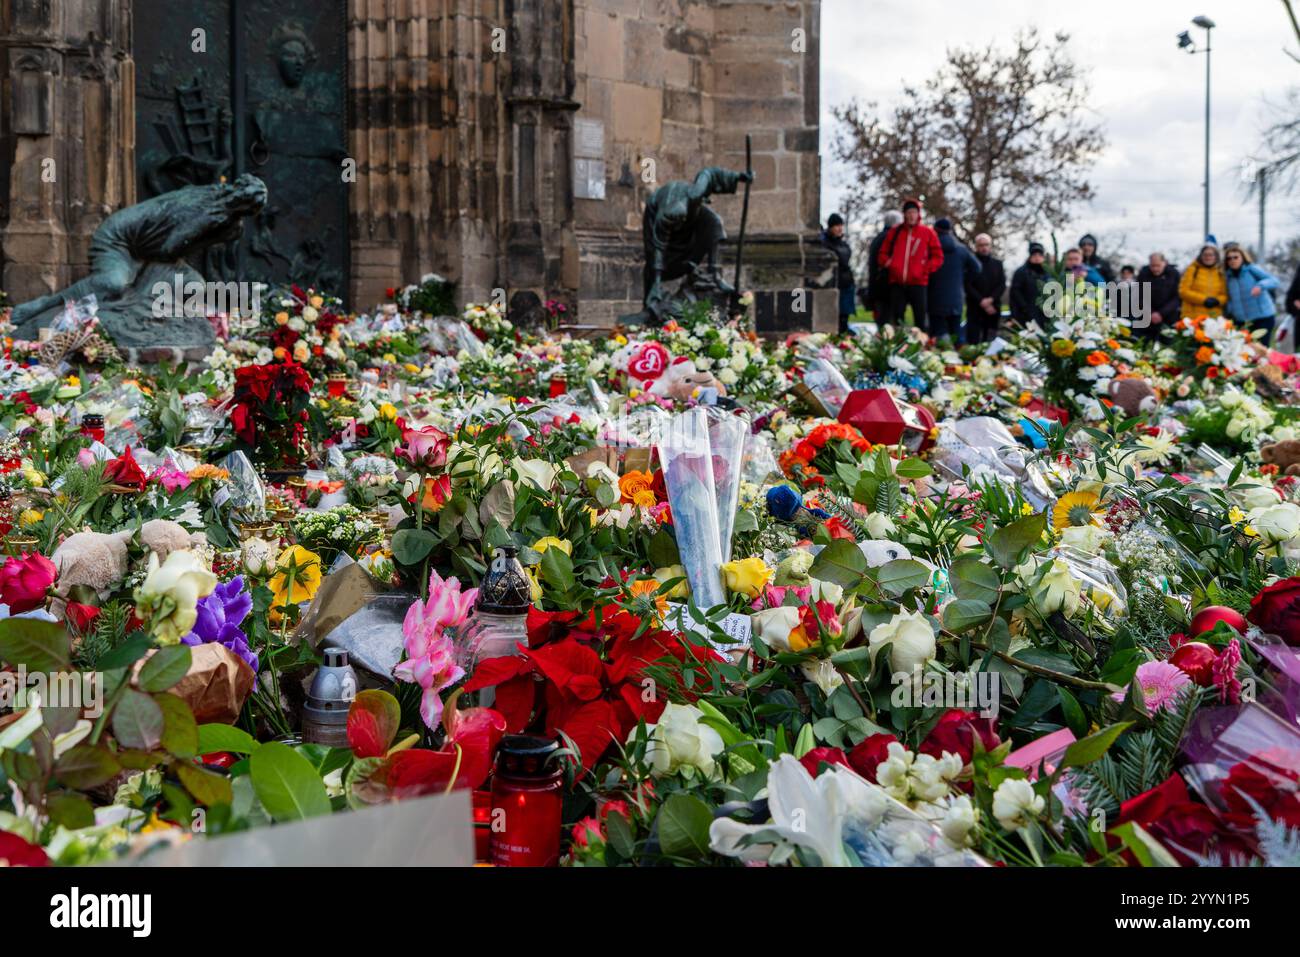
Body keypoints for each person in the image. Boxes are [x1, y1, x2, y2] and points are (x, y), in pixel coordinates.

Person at [878, 198, 943, 329]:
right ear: (904, 214)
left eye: (914, 212)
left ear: (918, 214)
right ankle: (898, 346)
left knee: (920, 318)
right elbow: (882, 254)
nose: (912, 215)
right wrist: (890, 264)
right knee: (897, 319)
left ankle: (921, 345)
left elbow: (938, 256)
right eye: (909, 212)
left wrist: (925, 269)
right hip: (897, 282)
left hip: (919, 283)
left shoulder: (928, 233)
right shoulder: (895, 232)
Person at [926, 218, 978, 341]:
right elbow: (977, 268)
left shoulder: (930, 249)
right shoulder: (961, 249)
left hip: (934, 300)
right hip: (955, 300)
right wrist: (962, 279)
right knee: (956, 337)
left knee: (936, 340)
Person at [1223, 242, 1281, 345]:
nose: (1232, 260)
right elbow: (1230, 299)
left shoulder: (1251, 269)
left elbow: (1274, 281)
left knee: (1260, 352)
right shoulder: (1227, 277)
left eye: (1235, 257)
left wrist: (1260, 286)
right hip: (1242, 321)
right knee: (1244, 353)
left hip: (1262, 318)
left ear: (1242, 257)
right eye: (1229, 258)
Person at [964, 232, 1006, 344]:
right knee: (973, 341)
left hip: (993, 309)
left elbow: (1001, 284)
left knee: (991, 343)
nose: (984, 248)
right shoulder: (970, 264)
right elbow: (967, 284)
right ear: (976, 247)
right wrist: (981, 301)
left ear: (990, 246)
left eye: (986, 244)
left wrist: (991, 300)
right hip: (975, 308)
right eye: (981, 245)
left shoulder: (998, 264)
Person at [820, 212, 856, 333]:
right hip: (834, 284)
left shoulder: (843, 244)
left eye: (841, 225)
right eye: (837, 225)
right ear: (830, 227)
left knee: (844, 316)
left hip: (845, 283)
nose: (840, 228)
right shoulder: (825, 243)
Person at [866, 211, 902, 323]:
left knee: (882, 318)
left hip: (878, 286)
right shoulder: (889, 238)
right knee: (887, 321)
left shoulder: (878, 238)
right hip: (886, 286)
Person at [1135, 252, 1181, 341]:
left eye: (1158, 265)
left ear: (1164, 263)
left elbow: (1177, 297)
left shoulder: (1174, 274)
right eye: (1152, 266)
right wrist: (1151, 313)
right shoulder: (1144, 273)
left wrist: (1161, 313)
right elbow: (1139, 296)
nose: (1155, 269)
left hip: (1168, 317)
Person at [1179, 241, 1227, 319]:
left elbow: (1225, 295)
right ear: (1200, 256)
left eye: (1211, 255)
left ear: (1216, 256)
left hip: (1214, 317)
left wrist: (1218, 301)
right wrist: (1203, 300)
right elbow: (1183, 291)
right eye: (1205, 255)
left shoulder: (1220, 272)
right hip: (1193, 317)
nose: (1208, 257)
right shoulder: (1192, 269)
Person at [1009, 242, 1049, 325]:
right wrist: (1024, 308)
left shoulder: (1048, 272)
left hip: (1045, 314)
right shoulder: (1021, 272)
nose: (1037, 258)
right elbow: (1015, 292)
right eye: (1034, 255)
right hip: (1026, 313)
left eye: (1039, 255)